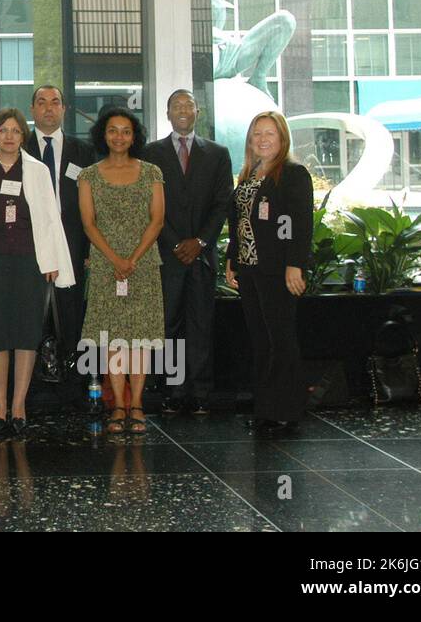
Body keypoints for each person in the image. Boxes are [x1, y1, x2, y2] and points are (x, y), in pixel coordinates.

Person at [0, 108, 74, 439]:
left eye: (15, 131)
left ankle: (19, 406)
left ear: (23, 136)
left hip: (30, 262)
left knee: (27, 335)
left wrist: (53, 258)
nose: (9, 136)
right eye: (3, 131)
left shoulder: (38, 170)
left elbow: (51, 219)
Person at [141, 90, 233, 415]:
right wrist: (175, 242)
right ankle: (173, 390)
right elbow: (148, 205)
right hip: (167, 254)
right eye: (176, 106)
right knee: (169, 325)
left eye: (188, 105)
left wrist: (201, 241)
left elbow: (223, 202)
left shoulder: (218, 154)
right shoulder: (151, 153)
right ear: (167, 114)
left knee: (200, 324)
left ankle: (201, 393)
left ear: (198, 112)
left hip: (202, 255)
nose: (182, 110)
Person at [225, 111, 312, 438]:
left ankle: (287, 411)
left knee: (281, 340)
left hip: (278, 269)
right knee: (261, 340)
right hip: (250, 269)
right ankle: (266, 409)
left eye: (269, 134)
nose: (262, 139)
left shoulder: (292, 174)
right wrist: (232, 257)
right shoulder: (249, 175)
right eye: (257, 134)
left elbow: (301, 224)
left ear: (282, 139)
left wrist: (296, 264)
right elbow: (240, 222)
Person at [79, 107, 166, 434]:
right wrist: (115, 259)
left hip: (143, 265)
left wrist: (132, 259)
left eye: (125, 131)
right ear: (104, 134)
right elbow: (88, 223)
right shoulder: (88, 175)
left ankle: (138, 405)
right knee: (113, 339)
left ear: (134, 136)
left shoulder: (152, 172)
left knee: (140, 339)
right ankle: (117, 406)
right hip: (105, 265)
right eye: (113, 130)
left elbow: (157, 220)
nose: (119, 136)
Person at [25, 85, 97, 368]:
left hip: (74, 244)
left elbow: (94, 205)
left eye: (55, 102)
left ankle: (72, 386)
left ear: (64, 109)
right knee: (32, 316)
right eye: (41, 102)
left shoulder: (84, 151)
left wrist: (91, 247)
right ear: (32, 110)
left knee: (71, 314)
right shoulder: (18, 147)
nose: (48, 108)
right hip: (28, 246)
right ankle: (32, 390)